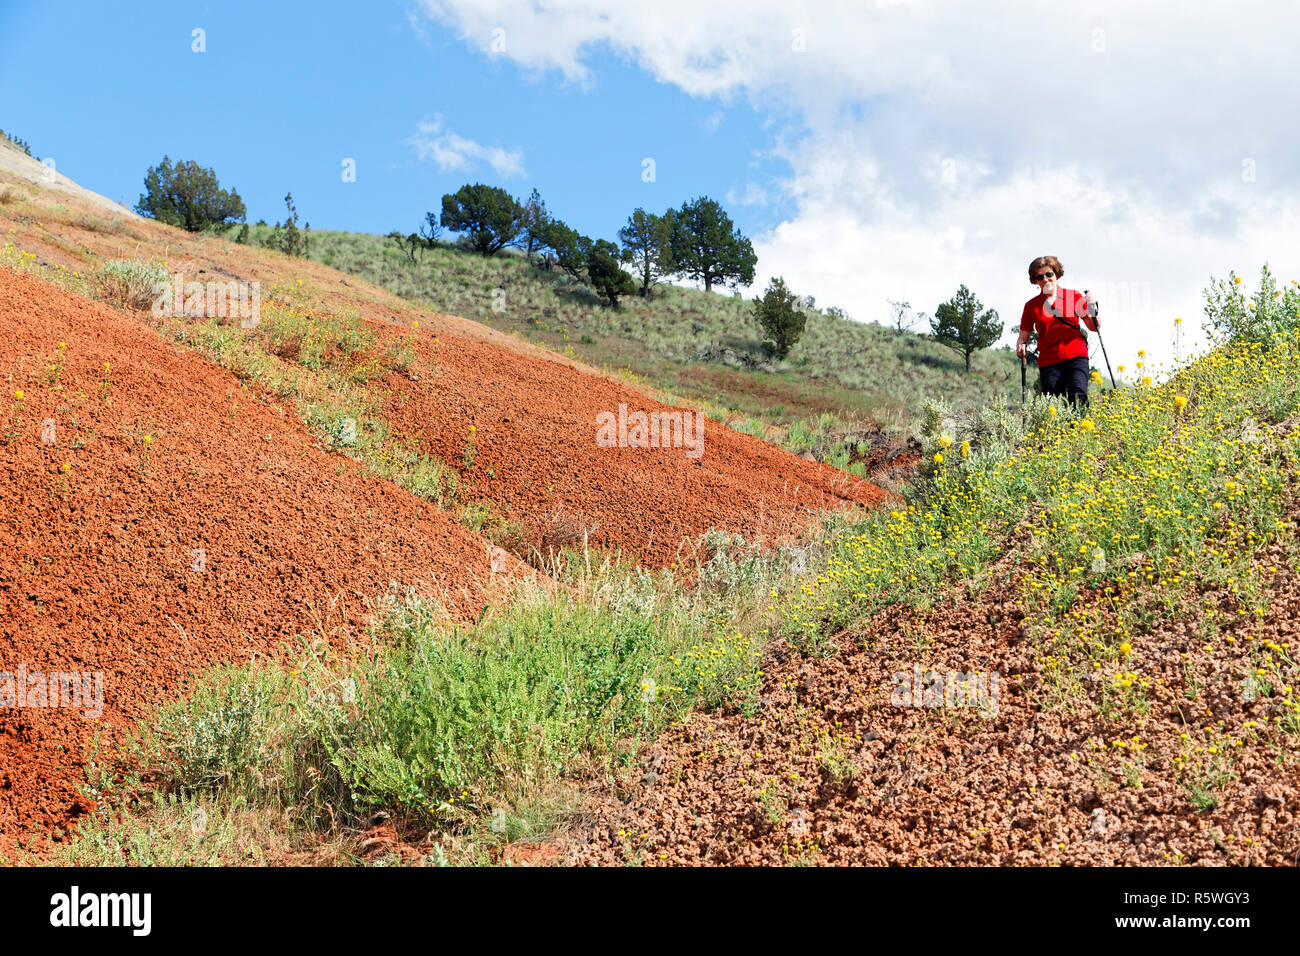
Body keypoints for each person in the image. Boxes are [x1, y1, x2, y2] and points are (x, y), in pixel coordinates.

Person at [1015, 255, 1098, 410]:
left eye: (1049, 274)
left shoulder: (1073, 296)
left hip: (1076, 356)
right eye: (1040, 277)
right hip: (1049, 361)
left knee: (1078, 395)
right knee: (1053, 404)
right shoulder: (1031, 306)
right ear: (1036, 281)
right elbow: (1023, 337)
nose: (1045, 279)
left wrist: (1092, 306)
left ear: (1057, 274)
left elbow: (1094, 326)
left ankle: (1081, 431)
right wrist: (1021, 347)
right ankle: (1059, 434)